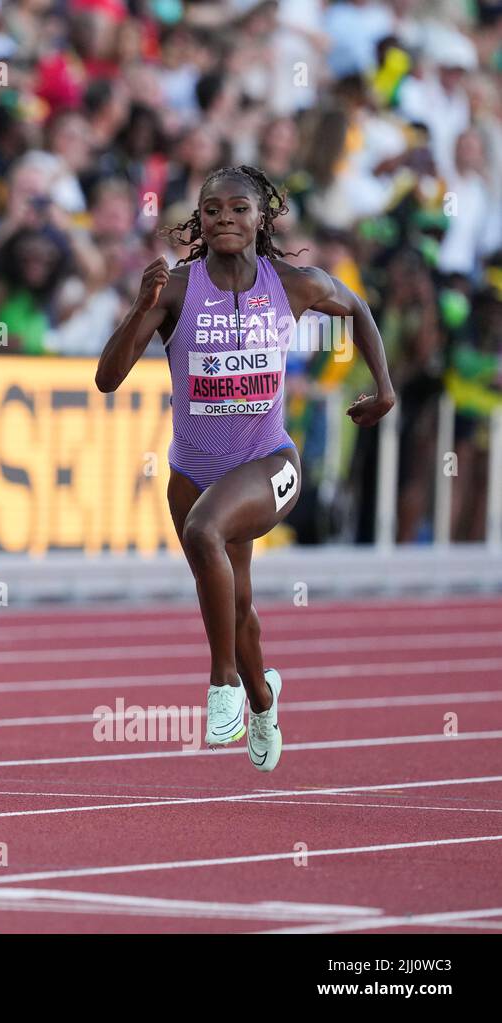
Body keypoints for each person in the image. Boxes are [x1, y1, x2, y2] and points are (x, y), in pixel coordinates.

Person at [95, 164, 395, 773]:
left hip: (270, 462)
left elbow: (357, 308)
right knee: (237, 605)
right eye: (212, 210)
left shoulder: (293, 282)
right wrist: (140, 309)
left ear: (262, 220)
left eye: (238, 209)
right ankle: (264, 698)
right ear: (199, 221)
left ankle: (223, 680)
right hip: (192, 473)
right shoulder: (176, 289)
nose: (225, 218)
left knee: (206, 532)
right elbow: (106, 378)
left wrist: (383, 388)